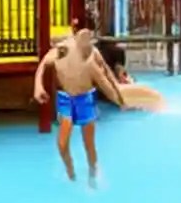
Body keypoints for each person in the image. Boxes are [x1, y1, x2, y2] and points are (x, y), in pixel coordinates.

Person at [34, 21, 124, 186]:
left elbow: (107, 73)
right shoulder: (60, 51)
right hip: (65, 99)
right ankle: (71, 175)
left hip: (85, 99)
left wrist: (119, 96)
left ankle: (93, 174)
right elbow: (42, 65)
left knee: (88, 144)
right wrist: (38, 86)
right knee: (62, 144)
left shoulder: (92, 53)